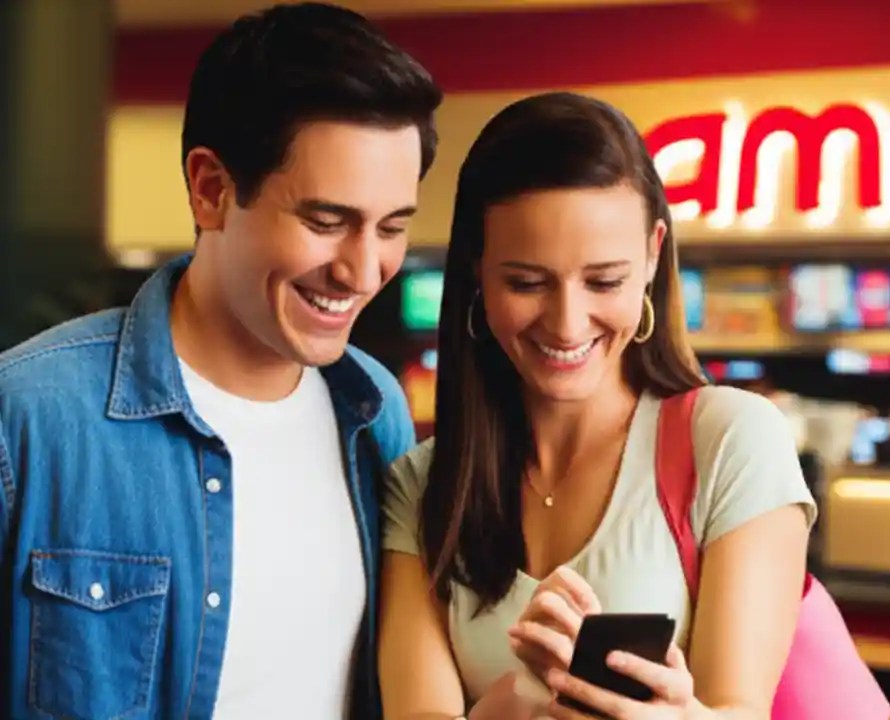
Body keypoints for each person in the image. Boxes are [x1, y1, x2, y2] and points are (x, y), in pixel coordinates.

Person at [0, 4, 441, 718]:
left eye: (391, 227)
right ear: (211, 190)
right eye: (326, 222)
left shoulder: (374, 412)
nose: (364, 272)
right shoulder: (27, 418)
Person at [378, 92, 816, 719]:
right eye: (526, 282)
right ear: (477, 270)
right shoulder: (423, 486)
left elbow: (739, 709)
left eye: (604, 281)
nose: (566, 323)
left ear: (652, 254)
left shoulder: (729, 439)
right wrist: (516, 705)